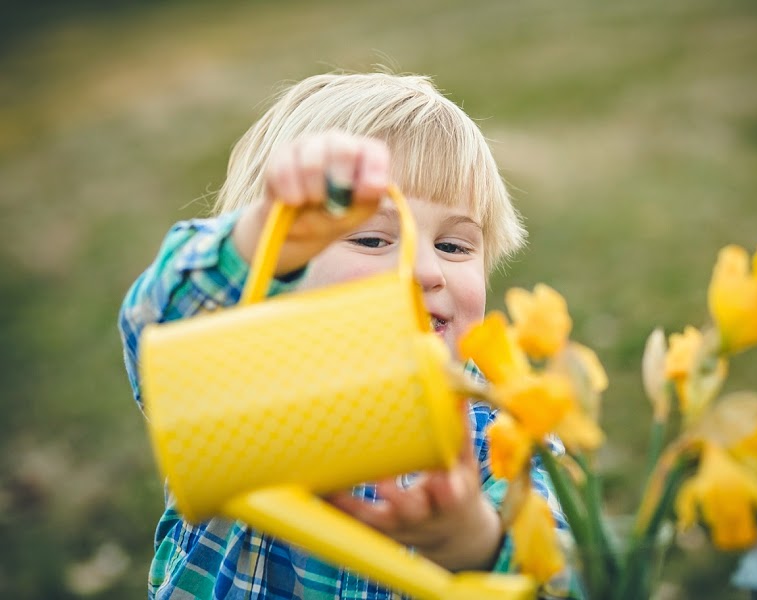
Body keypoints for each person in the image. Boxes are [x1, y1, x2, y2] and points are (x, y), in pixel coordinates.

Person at [119, 72, 575, 599]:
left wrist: (475, 540)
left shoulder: (500, 428)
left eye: (453, 246)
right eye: (373, 239)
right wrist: (256, 238)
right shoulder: (246, 382)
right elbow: (157, 330)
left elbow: (568, 579)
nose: (426, 271)